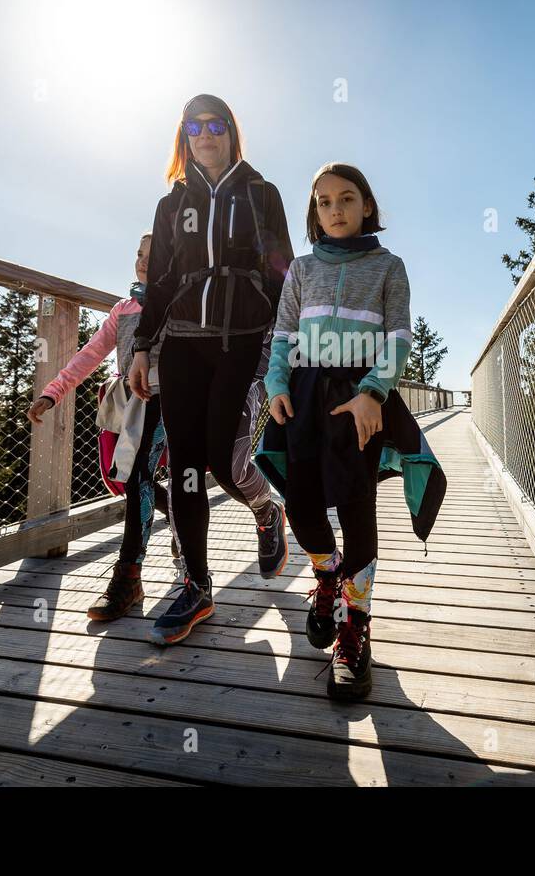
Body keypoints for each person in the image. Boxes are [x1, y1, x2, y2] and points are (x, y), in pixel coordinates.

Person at [255, 163, 447, 701]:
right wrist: (276, 384)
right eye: (323, 202)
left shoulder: (389, 267)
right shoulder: (300, 268)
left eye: (346, 199)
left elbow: (398, 337)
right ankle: (326, 575)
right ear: (314, 213)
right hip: (305, 394)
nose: (335, 210)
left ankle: (355, 627)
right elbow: (282, 335)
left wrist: (374, 392)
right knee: (301, 502)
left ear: (367, 205)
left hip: (360, 399)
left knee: (357, 506)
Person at [127, 93, 294, 645]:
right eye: (194, 125)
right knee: (184, 466)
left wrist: (291, 344)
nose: (205, 133)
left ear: (231, 132)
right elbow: (161, 282)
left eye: (215, 123)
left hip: (243, 342)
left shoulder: (261, 194)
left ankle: (266, 510)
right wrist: (143, 346)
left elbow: (282, 273)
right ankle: (196, 584)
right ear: (184, 136)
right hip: (181, 344)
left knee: (224, 457)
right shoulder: (172, 203)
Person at [28, 233, 168, 621]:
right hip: (128, 401)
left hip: (167, 400)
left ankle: (128, 576)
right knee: (122, 477)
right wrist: (53, 393)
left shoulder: (177, 303)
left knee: (138, 472)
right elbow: (90, 354)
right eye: (139, 254)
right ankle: (173, 514)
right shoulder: (122, 310)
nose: (143, 261)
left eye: (153, 257)